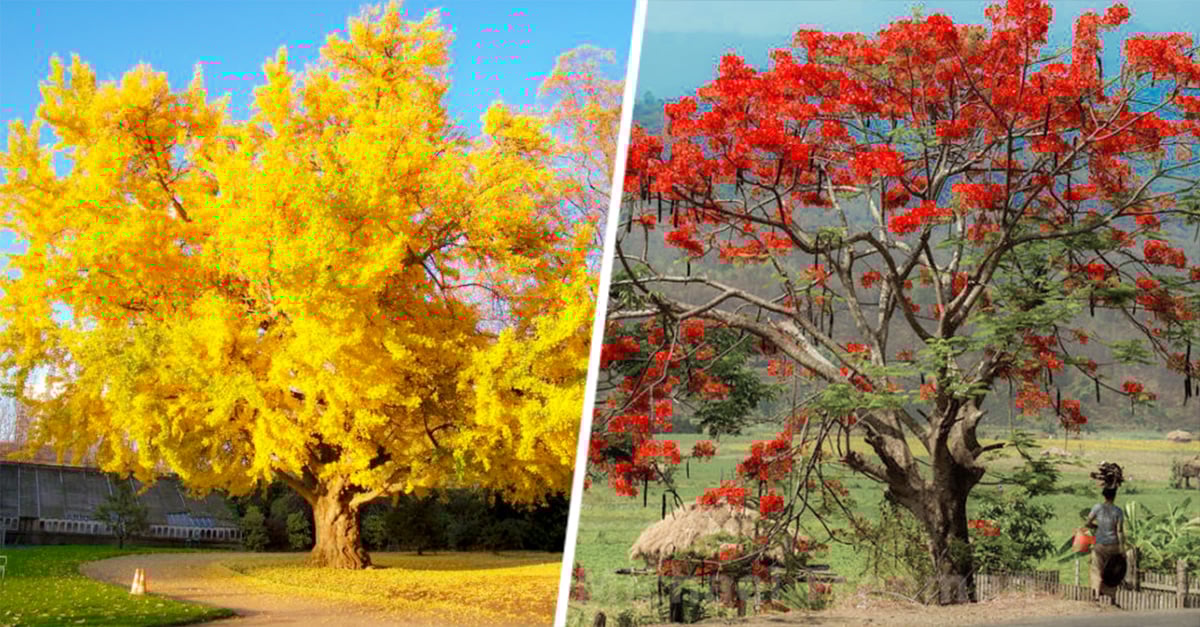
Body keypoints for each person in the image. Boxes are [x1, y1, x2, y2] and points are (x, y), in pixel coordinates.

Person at [1082, 486, 1125, 607]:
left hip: (1099, 545)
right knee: (1112, 572)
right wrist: (1122, 549)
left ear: (1104, 495)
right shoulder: (1118, 511)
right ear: (1114, 496)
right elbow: (1120, 531)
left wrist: (1096, 527)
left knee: (1096, 570)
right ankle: (1111, 598)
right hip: (1113, 545)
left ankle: (1095, 596)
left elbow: (1087, 522)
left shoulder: (1097, 508)